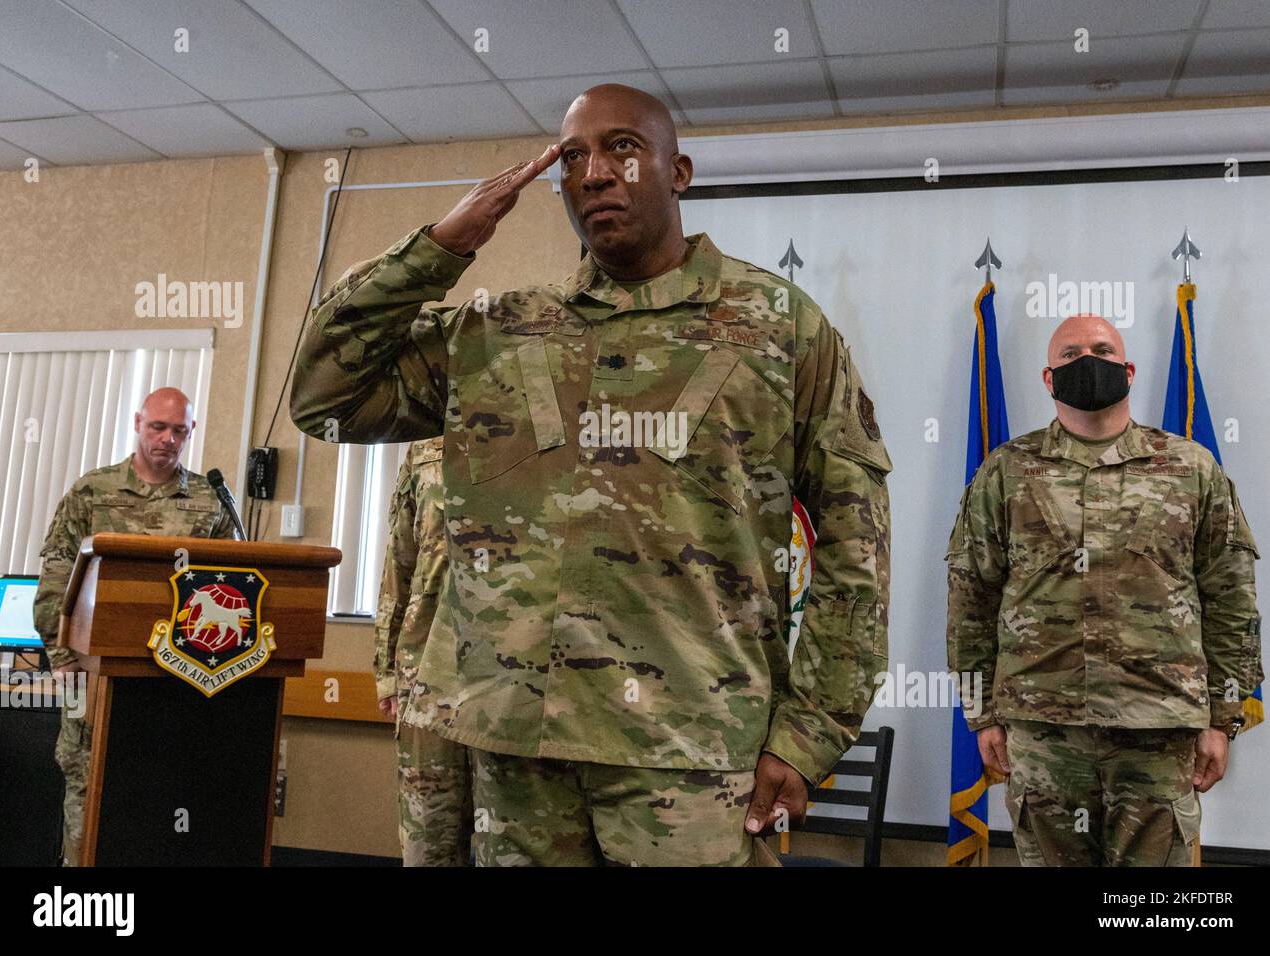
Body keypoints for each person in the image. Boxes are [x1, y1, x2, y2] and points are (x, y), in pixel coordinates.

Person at [292, 84, 892, 865]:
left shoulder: (780, 328)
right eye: (572, 158)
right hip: (517, 747)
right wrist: (439, 248)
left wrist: (810, 731)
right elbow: (324, 398)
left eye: (623, 149)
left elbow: (856, 544)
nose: (595, 173)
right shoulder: (496, 331)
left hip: (689, 752)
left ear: (679, 172)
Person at [947, 314, 1263, 866]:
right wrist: (981, 715)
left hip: (1158, 729)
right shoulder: (1007, 472)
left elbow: (1231, 598)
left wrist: (1223, 719)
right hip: (1044, 731)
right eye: (1069, 355)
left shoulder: (1190, 468)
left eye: (1101, 349)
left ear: (1129, 369)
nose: (1086, 361)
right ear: (1048, 379)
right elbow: (971, 598)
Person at [33, 387, 236, 865]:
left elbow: (234, 582)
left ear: (191, 432)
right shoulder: (93, 491)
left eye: (178, 430)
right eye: (157, 427)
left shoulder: (209, 502)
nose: (167, 439)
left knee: (163, 799)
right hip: (93, 674)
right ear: (138, 423)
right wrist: (62, 659)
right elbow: (55, 579)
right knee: (87, 791)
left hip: (179, 681)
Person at [374, 435, 472, 865]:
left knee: (513, 844)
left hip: (517, 676)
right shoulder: (425, 447)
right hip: (426, 673)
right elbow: (399, 564)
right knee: (428, 840)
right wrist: (387, 671)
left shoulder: (543, 427)